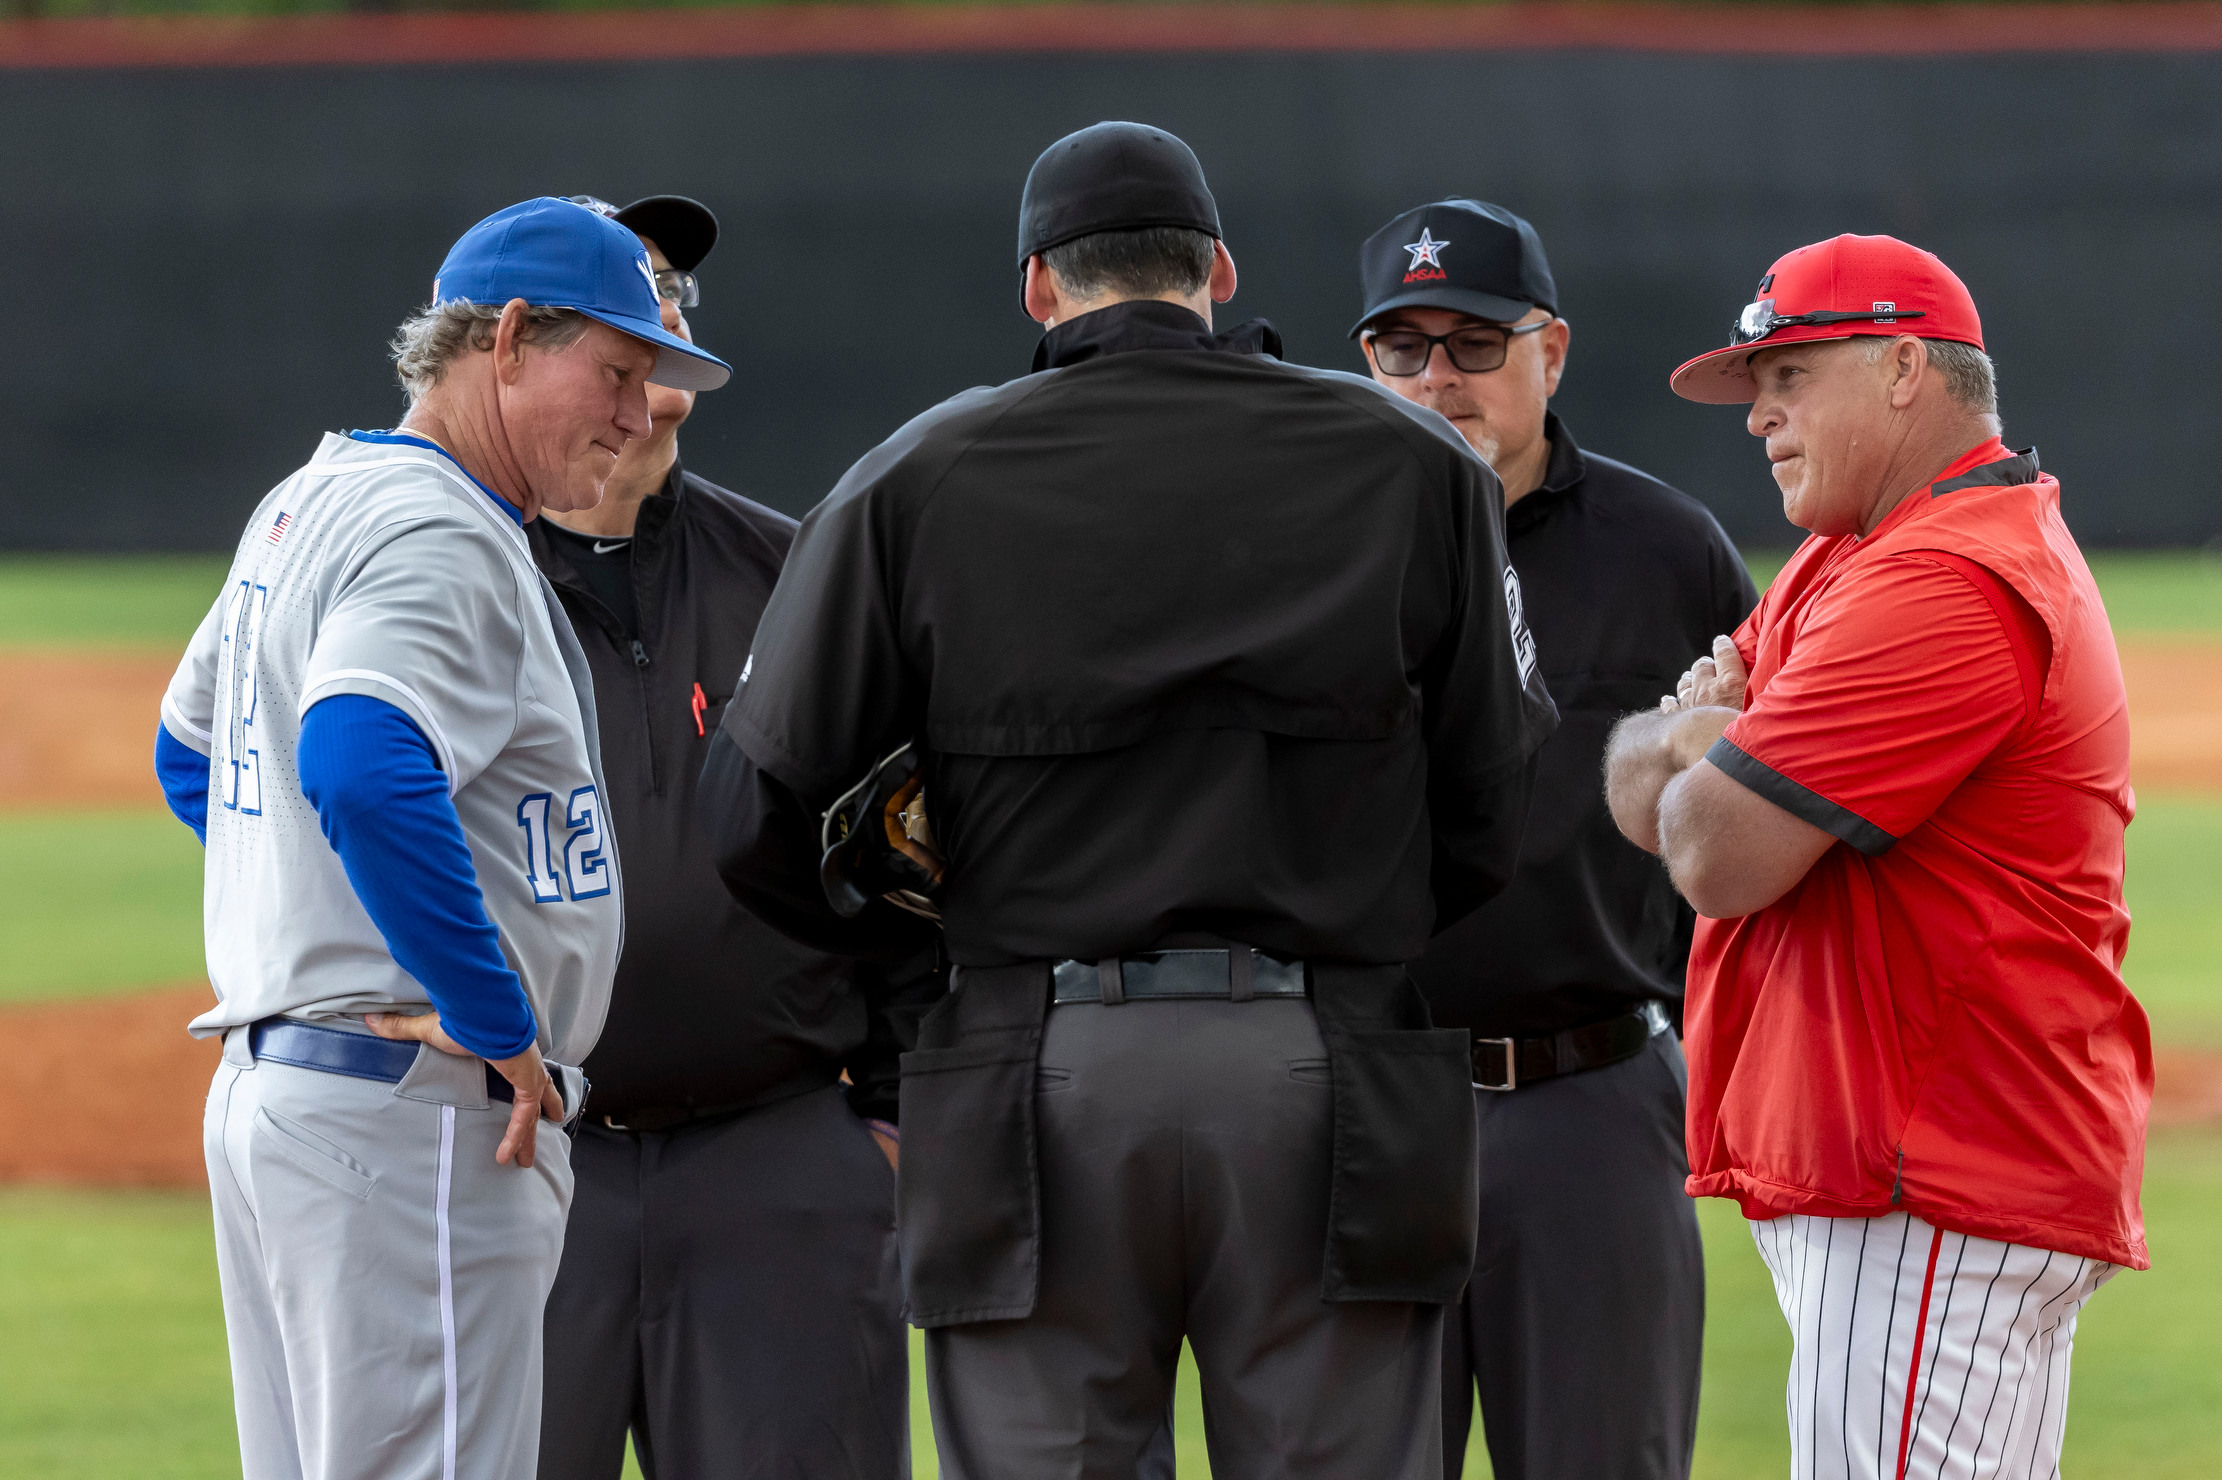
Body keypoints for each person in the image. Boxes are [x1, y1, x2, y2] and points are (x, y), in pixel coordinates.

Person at [699, 121, 1557, 1480]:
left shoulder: (915, 473)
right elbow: (1492, 805)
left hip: (1033, 1072)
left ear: (1039, 287)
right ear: (1216, 270)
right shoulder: (1412, 465)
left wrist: (929, 972)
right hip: (1324, 1063)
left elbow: (747, 813)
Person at [154, 196, 730, 1480]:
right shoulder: (440, 526)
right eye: (620, 372)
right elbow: (359, 761)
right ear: (511, 338)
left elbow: (187, 753)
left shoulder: (312, 497)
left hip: (303, 1103)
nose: (642, 415)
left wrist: (322, 911)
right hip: (407, 1124)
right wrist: (490, 1016)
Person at [1605, 233, 2149, 1480]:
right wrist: (1709, 734)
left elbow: (1706, 847)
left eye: (1787, 374)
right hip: (1904, 1169)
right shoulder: (1848, 556)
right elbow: (1650, 790)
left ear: (1904, 366)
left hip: (1930, 1171)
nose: (1758, 416)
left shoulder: (1946, 578)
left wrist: (1710, 731)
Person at [527, 193, 929, 1480]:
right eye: (610, 313)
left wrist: (887, 1118)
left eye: (665, 298)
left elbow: (912, 852)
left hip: (781, 1166)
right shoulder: (445, 578)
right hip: (522, 1163)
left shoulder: (797, 573)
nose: (647, 338)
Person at [1353, 197, 1755, 1480]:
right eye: (1401, 346)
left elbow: (1746, 814)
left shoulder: (1661, 550)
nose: (1437, 378)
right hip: (1364, 1099)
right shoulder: (1306, 545)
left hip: (1591, 1098)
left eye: (1473, 343)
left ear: (1551, 351)